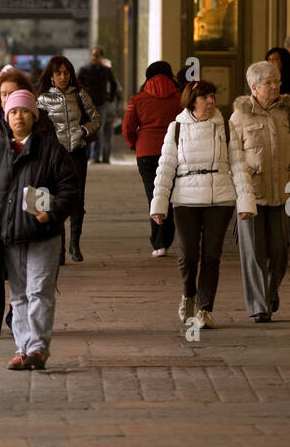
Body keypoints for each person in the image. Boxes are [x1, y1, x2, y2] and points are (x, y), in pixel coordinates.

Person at [0, 89, 79, 370]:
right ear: (6, 117)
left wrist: (52, 213)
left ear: (34, 115)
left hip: (42, 234)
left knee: (39, 291)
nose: (18, 117)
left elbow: (70, 187)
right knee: (19, 295)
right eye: (13, 112)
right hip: (9, 235)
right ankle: (22, 348)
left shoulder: (51, 150)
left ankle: (37, 348)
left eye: (24, 111)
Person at [151, 79, 256, 327]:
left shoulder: (226, 127)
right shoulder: (176, 128)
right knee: (188, 255)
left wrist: (246, 202)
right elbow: (165, 168)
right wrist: (159, 205)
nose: (210, 102)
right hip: (185, 199)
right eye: (204, 97)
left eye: (212, 97)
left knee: (211, 255)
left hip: (220, 198)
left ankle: (205, 309)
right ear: (192, 100)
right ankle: (189, 294)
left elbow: (239, 165)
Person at [0, 67, 55, 336]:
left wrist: (40, 208)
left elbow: (52, 171)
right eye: (3, 94)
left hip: (27, 213)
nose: (8, 99)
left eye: (13, 94)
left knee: (24, 271)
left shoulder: (42, 127)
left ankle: (17, 316)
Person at [230, 60, 290, 322]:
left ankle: (270, 290)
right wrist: (243, 183)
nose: (275, 86)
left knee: (280, 253)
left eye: (277, 81)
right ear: (254, 87)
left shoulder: (289, 113)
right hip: (251, 194)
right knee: (253, 254)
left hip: (281, 193)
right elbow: (232, 156)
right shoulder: (239, 117)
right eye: (269, 82)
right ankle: (259, 307)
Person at [37, 55, 99, 263]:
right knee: (53, 199)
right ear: (51, 77)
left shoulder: (80, 94)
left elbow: (96, 119)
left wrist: (83, 130)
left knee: (77, 198)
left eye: (66, 73)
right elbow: (39, 128)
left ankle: (75, 244)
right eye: (58, 73)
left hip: (77, 153)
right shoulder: (43, 99)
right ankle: (59, 249)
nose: (63, 77)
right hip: (54, 156)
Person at [122, 61, 182, 257]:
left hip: (146, 152)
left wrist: (134, 145)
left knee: (154, 195)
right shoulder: (181, 98)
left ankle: (159, 243)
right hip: (174, 150)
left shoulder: (138, 99)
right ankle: (169, 236)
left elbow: (127, 128)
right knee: (171, 194)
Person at [79, 47, 118, 163]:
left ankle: (95, 155)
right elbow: (77, 84)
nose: (94, 58)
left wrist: (110, 97)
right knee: (86, 129)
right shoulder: (84, 70)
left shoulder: (106, 71)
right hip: (87, 104)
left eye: (97, 55)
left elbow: (114, 84)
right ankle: (86, 155)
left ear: (101, 57)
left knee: (98, 130)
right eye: (93, 55)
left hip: (101, 103)